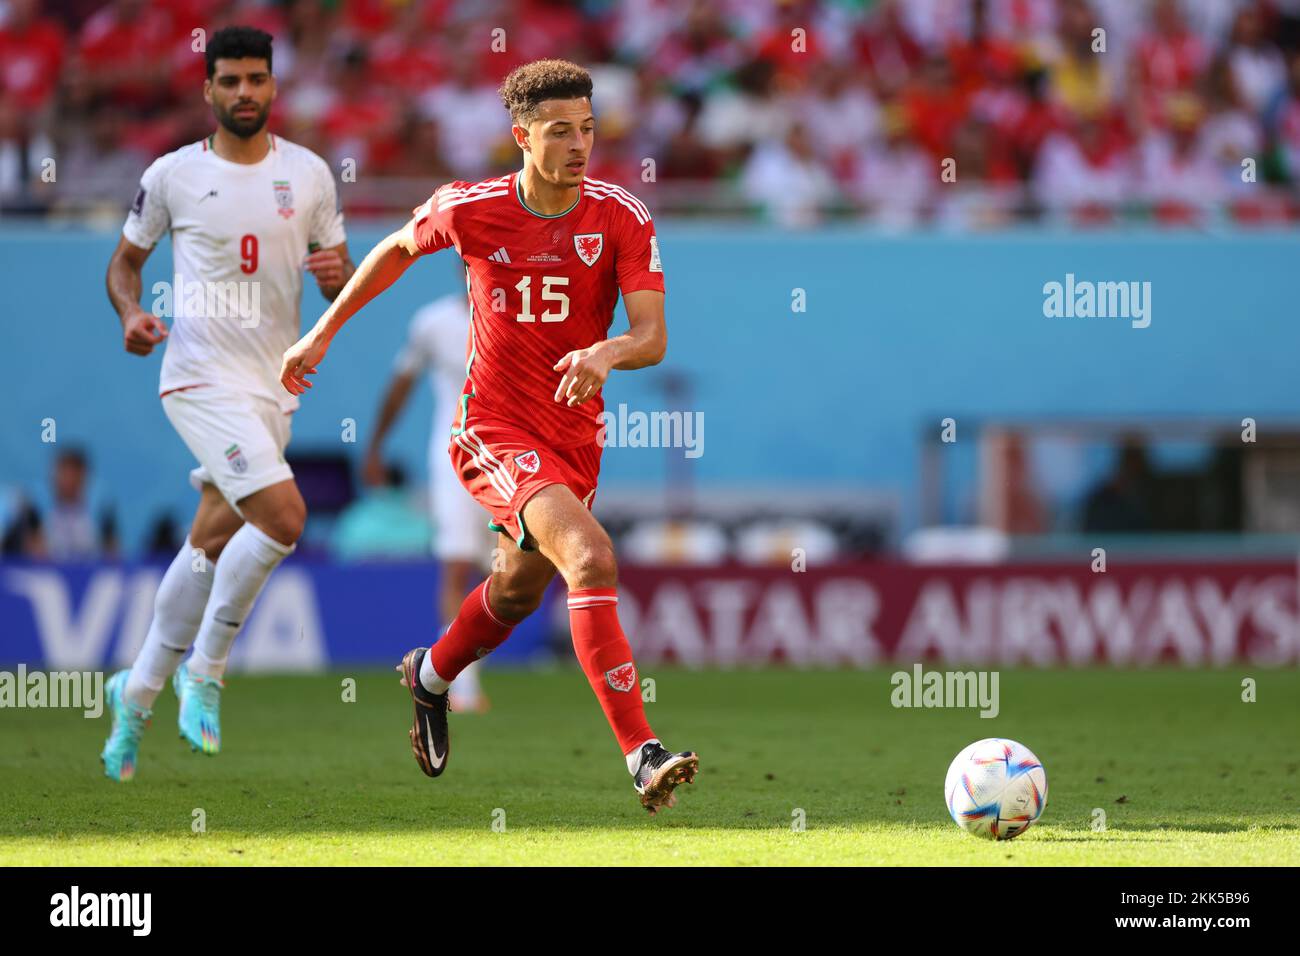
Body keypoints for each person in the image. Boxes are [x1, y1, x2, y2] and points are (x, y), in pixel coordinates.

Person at [281, 59, 698, 814]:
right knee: (591, 555)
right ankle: (643, 753)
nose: (580, 146)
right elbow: (395, 253)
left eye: (589, 130)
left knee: (514, 589)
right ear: (521, 136)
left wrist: (605, 352)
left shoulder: (621, 216)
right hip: (492, 428)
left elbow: (652, 336)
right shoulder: (472, 207)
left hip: (574, 435)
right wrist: (320, 334)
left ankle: (430, 676)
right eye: (561, 132)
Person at [100, 26, 353, 782]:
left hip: (270, 386)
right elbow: (124, 264)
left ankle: (134, 693)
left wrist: (338, 276)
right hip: (198, 377)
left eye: (257, 79)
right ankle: (205, 671)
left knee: (210, 543)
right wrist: (129, 313)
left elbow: (338, 283)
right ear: (207, 89)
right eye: (231, 80)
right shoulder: (173, 175)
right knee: (284, 518)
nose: (245, 92)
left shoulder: (309, 176)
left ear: (274, 86)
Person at [364, 291, 492, 713]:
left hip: (513, 457)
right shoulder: (433, 322)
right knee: (456, 564)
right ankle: (460, 682)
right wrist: (376, 446)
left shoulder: (525, 312)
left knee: (507, 572)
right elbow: (401, 386)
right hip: (454, 456)